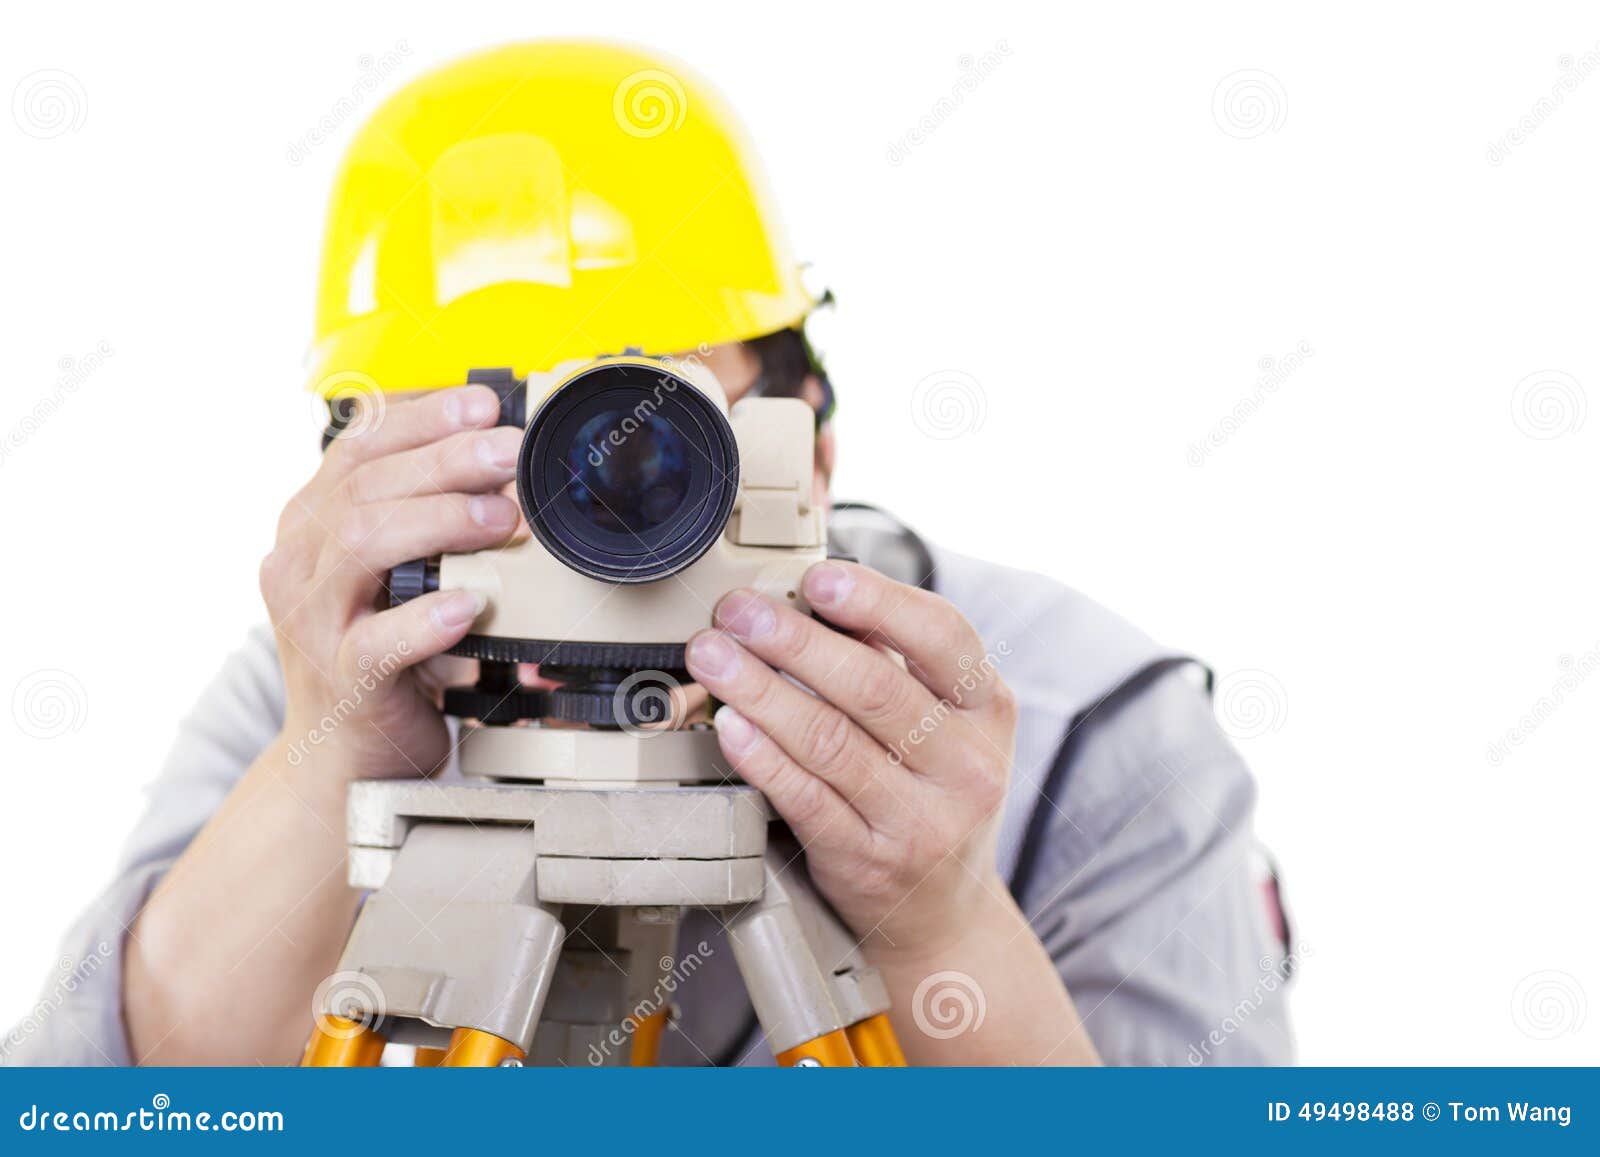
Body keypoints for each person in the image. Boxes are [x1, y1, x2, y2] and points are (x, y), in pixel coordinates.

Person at [3, 39, 1292, 1068]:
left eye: (636, 434)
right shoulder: (332, 685)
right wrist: (324, 760)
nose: (570, 495)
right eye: (486, 436)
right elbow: (89, 1105)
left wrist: (941, 915)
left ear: (806, 446)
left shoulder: (1096, 734)